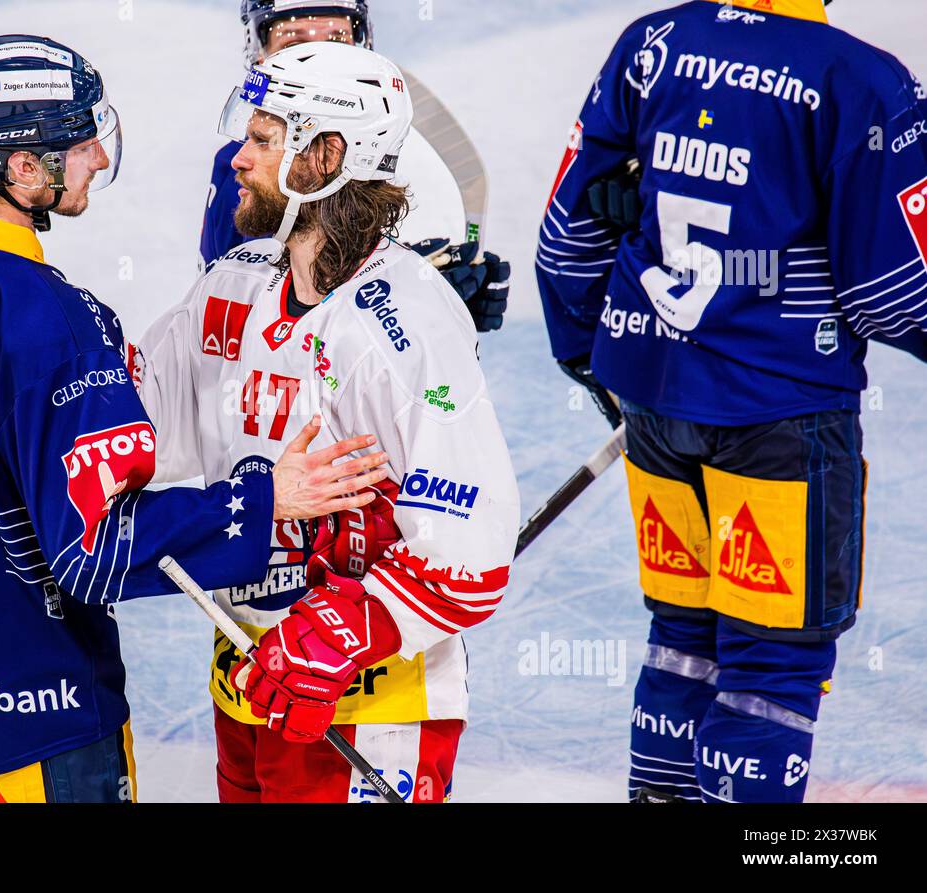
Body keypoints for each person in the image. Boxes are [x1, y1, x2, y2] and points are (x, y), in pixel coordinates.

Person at [0, 34, 387, 804]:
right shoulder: (53, 323)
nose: (100, 161)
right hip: (25, 720)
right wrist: (263, 499)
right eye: (79, 143)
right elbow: (94, 551)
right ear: (22, 167)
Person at [535, 0, 927, 802]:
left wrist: (591, 354)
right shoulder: (860, 79)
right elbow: (891, 291)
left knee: (684, 637)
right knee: (772, 665)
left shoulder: (654, 43)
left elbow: (567, 235)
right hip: (779, 413)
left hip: (653, 399)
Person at [135, 41, 520, 802]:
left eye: (263, 138)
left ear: (327, 154)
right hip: (248, 676)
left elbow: (472, 553)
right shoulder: (232, 286)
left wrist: (352, 621)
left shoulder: (404, 322)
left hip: (371, 705)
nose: (238, 159)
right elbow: (139, 427)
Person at [201, 0, 510, 334]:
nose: (318, 59)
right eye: (293, 43)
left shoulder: (387, 144)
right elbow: (236, 334)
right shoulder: (248, 170)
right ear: (259, 55)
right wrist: (395, 295)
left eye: (335, 40)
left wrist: (445, 301)